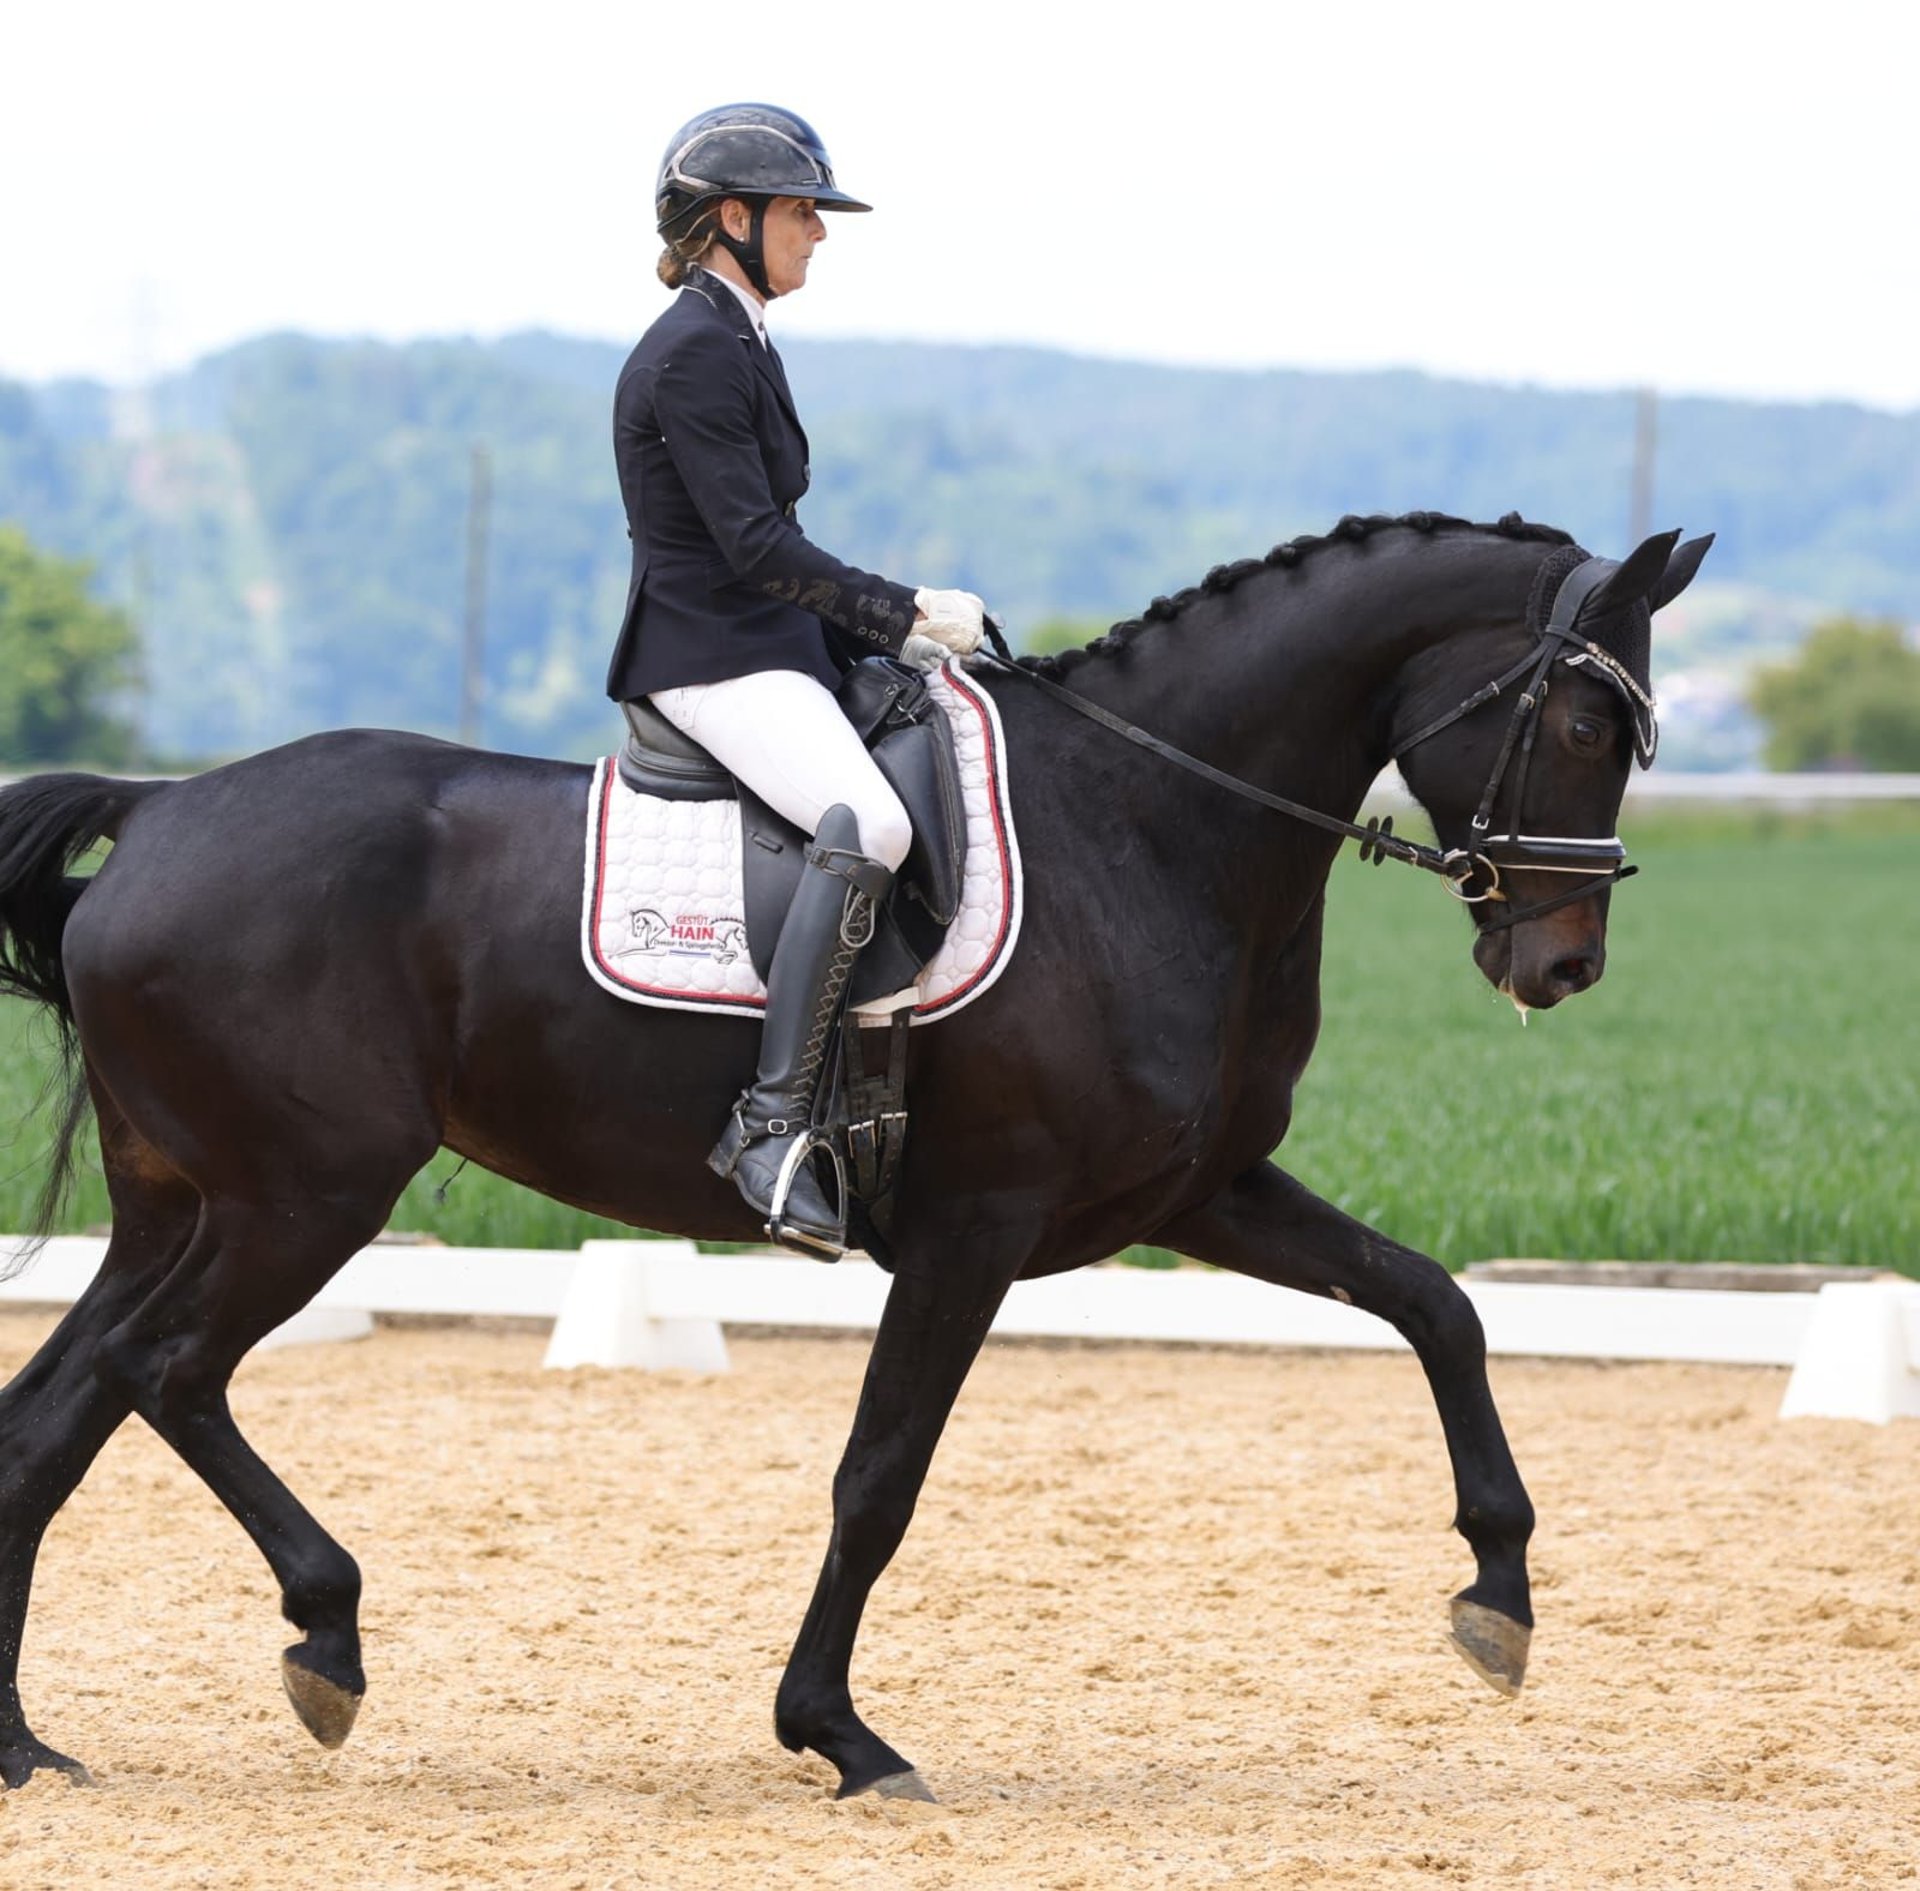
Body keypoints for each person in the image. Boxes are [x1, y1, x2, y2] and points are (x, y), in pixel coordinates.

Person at [607, 102, 985, 1258]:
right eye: (802, 212)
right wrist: (902, 609)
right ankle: (771, 1125)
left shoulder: (739, 337)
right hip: (710, 656)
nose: (818, 232)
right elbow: (755, 549)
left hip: (770, 647)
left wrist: (891, 640)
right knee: (866, 820)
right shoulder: (689, 353)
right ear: (734, 219)